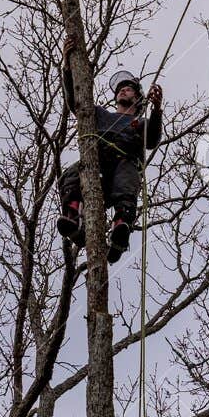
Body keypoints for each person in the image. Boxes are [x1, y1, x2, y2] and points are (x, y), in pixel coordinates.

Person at [57, 48, 163, 263]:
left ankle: (120, 227)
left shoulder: (140, 123)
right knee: (71, 174)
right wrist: (67, 69)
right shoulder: (100, 114)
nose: (123, 91)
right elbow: (75, 101)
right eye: (121, 89)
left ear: (138, 99)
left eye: (129, 89)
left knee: (125, 179)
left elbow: (152, 140)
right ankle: (73, 216)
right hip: (98, 163)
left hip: (124, 164)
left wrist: (157, 109)